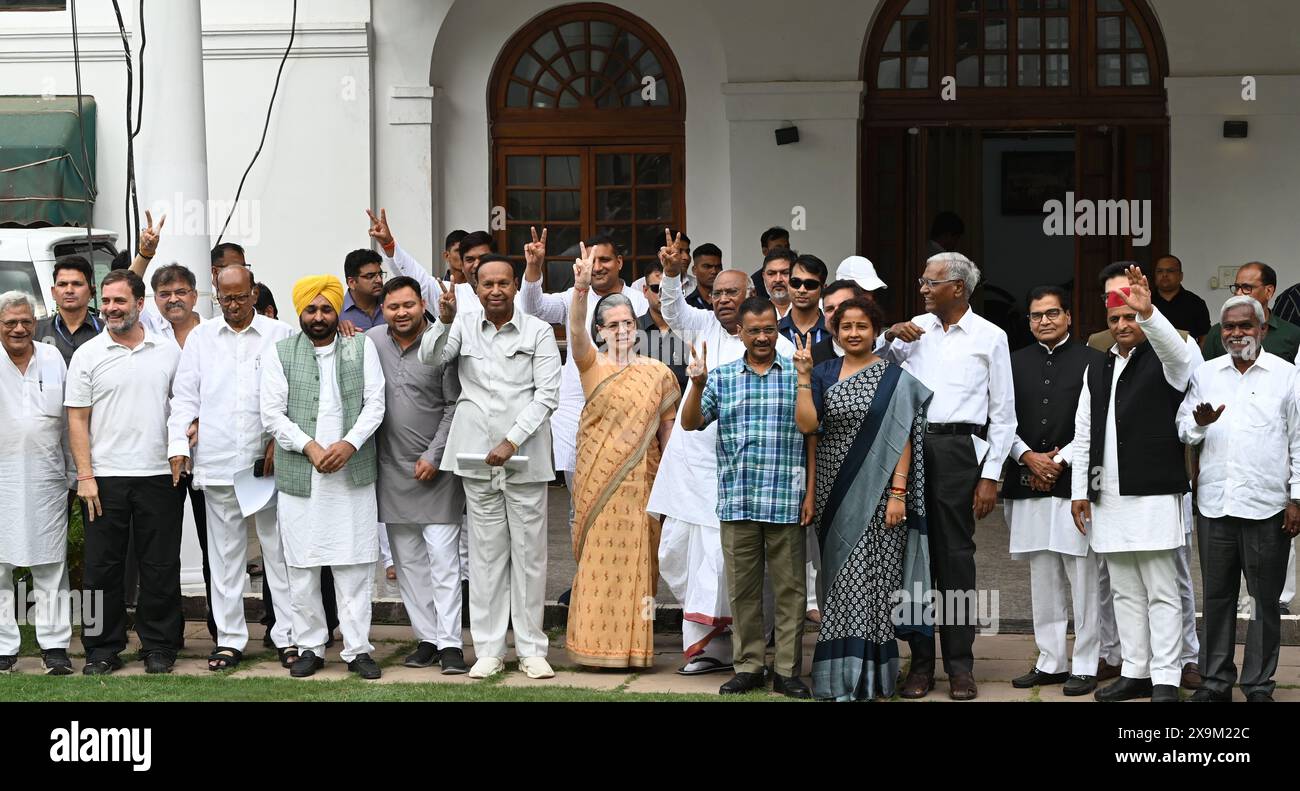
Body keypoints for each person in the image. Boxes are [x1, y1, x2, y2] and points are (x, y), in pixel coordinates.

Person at [647, 236, 795, 675]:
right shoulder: (701, 327)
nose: (723, 299)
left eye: (732, 292)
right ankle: (702, 647)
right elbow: (670, 310)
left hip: (741, 473)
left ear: (751, 296)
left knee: (729, 562)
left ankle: (740, 649)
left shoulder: (777, 346)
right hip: (691, 465)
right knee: (681, 552)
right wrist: (672, 274)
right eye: (717, 293)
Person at [880, 252, 1016, 700]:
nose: (922, 287)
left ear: (957, 287)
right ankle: (920, 666)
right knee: (914, 560)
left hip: (960, 452)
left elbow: (1003, 414)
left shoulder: (991, 337)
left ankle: (960, 666)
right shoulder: (913, 331)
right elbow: (868, 365)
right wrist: (887, 336)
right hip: (911, 447)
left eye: (930, 281)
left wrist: (990, 475)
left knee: (955, 559)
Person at [419, 254, 561, 680]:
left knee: (529, 557)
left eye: (503, 283)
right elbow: (430, 358)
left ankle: (533, 649)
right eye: (487, 284)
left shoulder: (538, 331)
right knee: (485, 558)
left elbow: (547, 395)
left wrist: (512, 439)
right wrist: (441, 320)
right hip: (475, 456)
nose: (495, 290)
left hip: (525, 457)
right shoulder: (461, 324)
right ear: (475, 287)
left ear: (515, 285)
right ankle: (489, 650)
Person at [1070, 265, 1198, 703]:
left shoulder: (1167, 356)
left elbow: (1179, 358)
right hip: (1109, 498)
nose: (1123, 326)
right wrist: (1079, 492)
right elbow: (1084, 431)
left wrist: (1150, 315)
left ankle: (1166, 675)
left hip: (1156, 493)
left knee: (1162, 591)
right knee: (1124, 591)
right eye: (1115, 320)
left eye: (1130, 318)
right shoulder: (1098, 367)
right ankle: (1136, 669)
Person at [795, 295, 933, 701]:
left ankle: (869, 679)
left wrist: (898, 493)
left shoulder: (894, 377)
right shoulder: (822, 373)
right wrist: (804, 376)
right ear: (835, 333)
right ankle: (838, 678)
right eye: (846, 327)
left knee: (874, 583)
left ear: (875, 332)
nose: (854, 333)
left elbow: (903, 436)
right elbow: (809, 428)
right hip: (831, 495)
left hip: (881, 495)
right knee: (837, 585)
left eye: (862, 326)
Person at [680, 297, 814, 698]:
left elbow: (812, 435)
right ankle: (749, 666)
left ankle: (788, 671)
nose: (761, 337)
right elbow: (689, 424)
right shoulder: (721, 378)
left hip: (786, 501)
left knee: (791, 591)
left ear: (778, 330)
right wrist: (698, 383)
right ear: (739, 332)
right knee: (743, 591)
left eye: (769, 329)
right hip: (738, 501)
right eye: (753, 330)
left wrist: (809, 493)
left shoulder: (796, 374)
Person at [167, 265, 297, 671]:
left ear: (255, 293)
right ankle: (230, 639)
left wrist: (281, 440)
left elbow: (295, 397)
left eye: (242, 297)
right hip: (219, 461)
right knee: (225, 558)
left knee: (280, 555)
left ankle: (289, 637)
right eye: (227, 298)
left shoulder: (282, 335)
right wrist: (177, 448)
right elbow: (184, 398)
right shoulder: (201, 339)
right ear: (216, 296)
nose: (235, 305)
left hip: (269, 462)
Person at [260, 275, 387, 680]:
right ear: (299, 311)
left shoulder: (360, 346)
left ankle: (357, 649)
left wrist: (348, 444)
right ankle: (310, 646)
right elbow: (272, 414)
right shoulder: (280, 352)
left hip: (352, 472)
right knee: (302, 566)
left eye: (326, 309)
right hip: (302, 474)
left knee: (353, 566)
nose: (318, 316)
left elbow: (375, 402)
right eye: (311, 309)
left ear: (338, 311)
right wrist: (310, 446)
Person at [1178, 296, 1300, 702]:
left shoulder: (1287, 376)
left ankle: (1259, 685)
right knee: (1215, 598)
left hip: (1268, 506)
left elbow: (1299, 443)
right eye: (1228, 327)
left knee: (1264, 602)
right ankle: (1215, 682)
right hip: (1215, 504)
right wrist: (1198, 424)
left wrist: (1295, 499)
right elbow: (1183, 427)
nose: (1235, 333)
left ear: (1263, 330)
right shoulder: (1206, 373)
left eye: (1245, 326)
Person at [565, 245, 679, 668]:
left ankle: (634, 651)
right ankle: (593, 649)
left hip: (644, 486)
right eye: (612, 325)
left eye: (628, 323)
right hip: (599, 484)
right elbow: (575, 333)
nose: (622, 330)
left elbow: (668, 432)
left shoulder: (658, 373)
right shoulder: (591, 364)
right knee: (598, 563)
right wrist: (580, 289)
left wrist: (671, 488)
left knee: (639, 565)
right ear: (600, 331)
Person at [66, 270, 184, 675]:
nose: (111, 308)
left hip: (160, 476)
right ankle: (101, 648)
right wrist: (85, 475)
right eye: (107, 301)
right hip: (104, 479)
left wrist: (183, 446)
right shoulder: (88, 355)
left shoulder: (168, 351)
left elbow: (185, 407)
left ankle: (160, 647)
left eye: (120, 301)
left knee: (160, 565)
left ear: (139, 304)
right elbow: (77, 420)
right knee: (101, 568)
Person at [1002, 286, 1104, 697]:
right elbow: (1000, 417)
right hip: (1027, 479)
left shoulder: (1093, 361)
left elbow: (1096, 423)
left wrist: (1057, 462)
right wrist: (1027, 456)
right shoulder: (1013, 362)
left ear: (1068, 316)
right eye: (1035, 315)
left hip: (1074, 484)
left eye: (1051, 313)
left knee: (1082, 576)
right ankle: (1050, 661)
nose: (1043, 321)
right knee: (1041, 575)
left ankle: (1086, 662)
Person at [366, 276, 468, 674]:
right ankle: (427, 638)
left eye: (408, 305)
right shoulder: (371, 342)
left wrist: (434, 455)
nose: (401, 313)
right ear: (383, 310)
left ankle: (451, 644)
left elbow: (453, 404)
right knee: (408, 565)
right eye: (393, 307)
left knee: (444, 561)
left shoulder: (441, 343)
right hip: (391, 471)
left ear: (420, 304)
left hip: (436, 471)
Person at [519, 228, 648, 539]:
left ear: (619, 262)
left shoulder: (638, 302)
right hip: (575, 407)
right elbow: (532, 308)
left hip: (625, 404)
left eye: (604, 260)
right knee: (581, 497)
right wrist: (534, 266)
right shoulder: (572, 296)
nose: (597, 266)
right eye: (590, 260)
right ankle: (583, 577)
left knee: (621, 494)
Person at [1200, 261, 1300, 616]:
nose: (1236, 333)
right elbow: (1200, 397)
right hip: (1220, 483)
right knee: (1219, 590)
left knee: (1267, 591)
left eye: (1248, 287)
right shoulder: (1213, 352)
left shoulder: (1290, 340)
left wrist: (1296, 496)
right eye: (1236, 287)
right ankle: (1217, 671)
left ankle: (1277, 608)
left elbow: (1296, 433)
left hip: (1269, 484)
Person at [0, 291, 75, 675]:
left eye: (25, 321)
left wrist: (75, 473)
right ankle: (4, 648)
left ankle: (55, 648)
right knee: (0, 567)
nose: (18, 328)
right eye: (10, 322)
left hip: (47, 477)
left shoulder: (51, 358)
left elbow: (66, 422)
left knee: (51, 566)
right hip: (2, 479)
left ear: (35, 322)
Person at [1202, 262, 1300, 364]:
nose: (1239, 293)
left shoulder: (1292, 334)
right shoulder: (1218, 332)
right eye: (1236, 287)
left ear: (1269, 291)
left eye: (1247, 288)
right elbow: (1207, 374)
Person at [36, 256, 102, 365]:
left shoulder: (107, 331)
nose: (69, 290)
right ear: (53, 292)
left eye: (77, 284)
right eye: (62, 284)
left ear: (92, 291)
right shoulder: (35, 332)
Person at [638, 262, 689, 392]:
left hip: (684, 408)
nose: (663, 295)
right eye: (656, 288)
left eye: (669, 289)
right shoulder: (631, 330)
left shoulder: (690, 328)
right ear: (645, 291)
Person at [1150, 255, 1211, 343]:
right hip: (1151, 355)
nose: (1164, 275)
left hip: (1187, 355)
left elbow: (1204, 337)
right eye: (1159, 271)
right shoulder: (1147, 302)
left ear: (1181, 276)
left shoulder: (1196, 303)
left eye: (1170, 271)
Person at [778, 253, 830, 348]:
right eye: (795, 283)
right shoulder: (774, 331)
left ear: (823, 288)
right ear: (788, 285)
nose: (801, 290)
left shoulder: (833, 331)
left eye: (810, 284)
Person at [812, 280, 868, 365]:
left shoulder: (880, 350)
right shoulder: (812, 357)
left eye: (844, 306)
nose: (836, 314)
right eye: (830, 309)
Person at [342, 249, 387, 330]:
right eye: (370, 276)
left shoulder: (391, 304)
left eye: (380, 274)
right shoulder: (336, 312)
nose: (379, 280)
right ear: (352, 282)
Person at [750, 226, 790, 299]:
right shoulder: (755, 282)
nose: (784, 251)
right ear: (765, 251)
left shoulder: (798, 274)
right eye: (778, 248)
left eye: (786, 247)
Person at [761, 248, 796, 320]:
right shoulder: (756, 313)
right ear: (764, 276)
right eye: (771, 273)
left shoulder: (815, 310)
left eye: (785, 273)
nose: (778, 280)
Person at [686, 243, 723, 310]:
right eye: (707, 266)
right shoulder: (687, 305)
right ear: (694, 270)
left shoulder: (729, 301)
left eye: (718, 267)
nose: (714, 271)